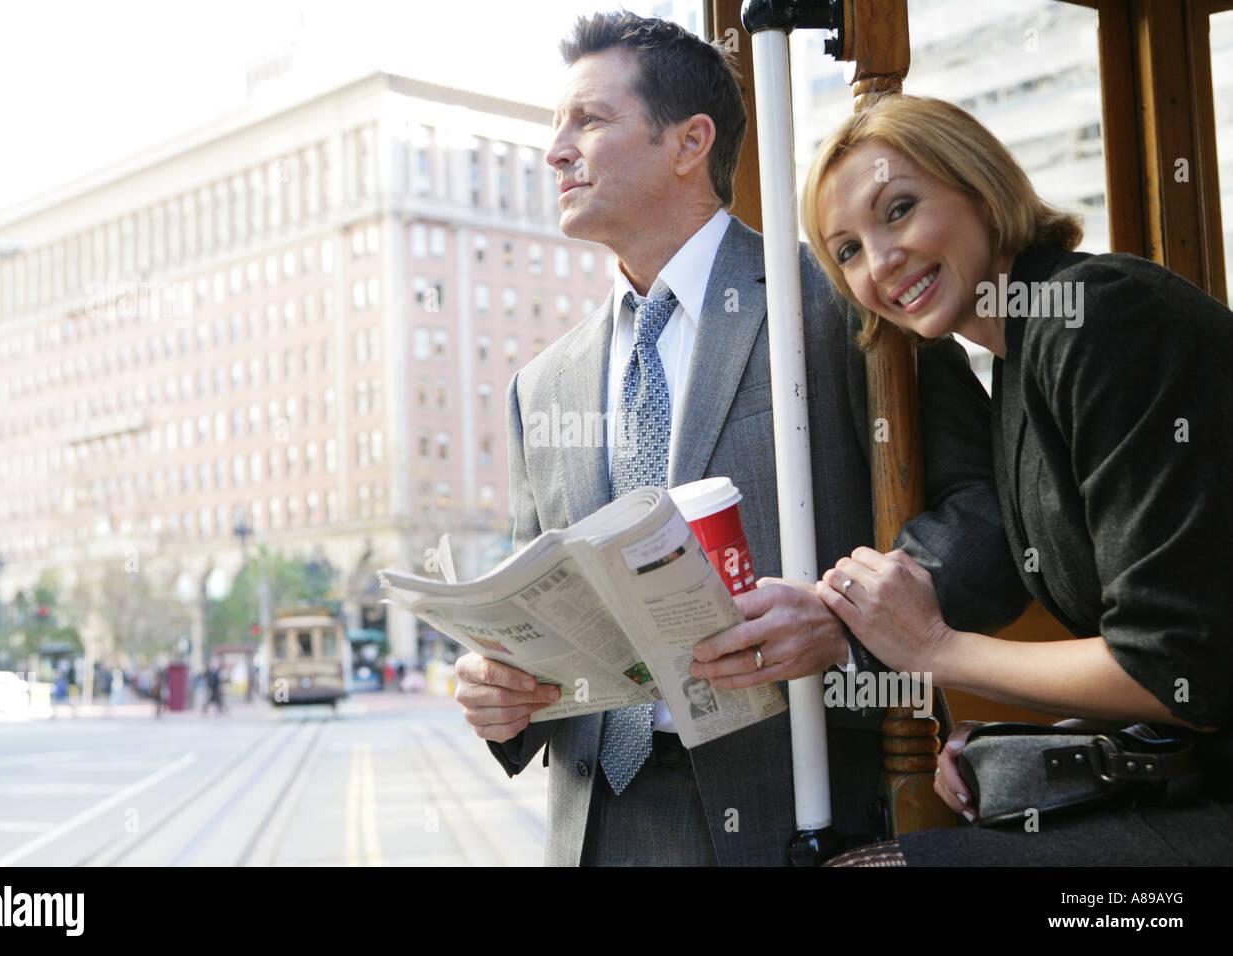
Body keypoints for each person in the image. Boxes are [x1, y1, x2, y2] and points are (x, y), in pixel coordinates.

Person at [454, 12, 1026, 867]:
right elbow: (538, 599)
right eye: (555, 127)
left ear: (690, 142)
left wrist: (846, 627)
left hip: (795, 804)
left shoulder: (841, 295)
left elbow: (985, 507)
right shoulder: (542, 386)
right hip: (597, 828)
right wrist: (497, 687)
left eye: (589, 120)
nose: (555, 151)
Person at [801, 93, 1233, 865]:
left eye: (898, 209)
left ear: (980, 186)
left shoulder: (1097, 319)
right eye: (848, 251)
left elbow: (1176, 673)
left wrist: (933, 647)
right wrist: (1029, 741)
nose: (881, 261)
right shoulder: (1021, 361)